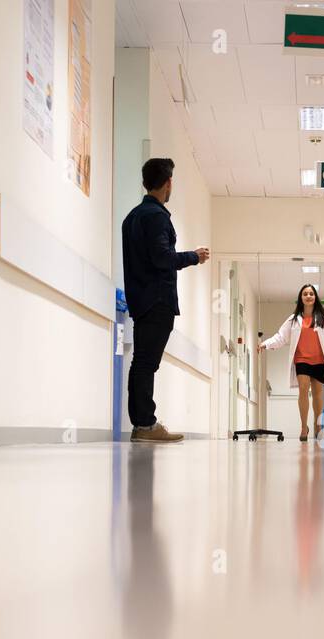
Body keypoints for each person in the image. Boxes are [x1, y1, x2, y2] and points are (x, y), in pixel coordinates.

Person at [120, 157, 209, 443]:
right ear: (168, 183)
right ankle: (146, 424)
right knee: (146, 364)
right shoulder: (157, 217)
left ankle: (142, 424)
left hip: (140, 300)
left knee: (141, 363)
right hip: (157, 301)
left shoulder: (131, 217)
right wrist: (194, 257)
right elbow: (162, 258)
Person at [257, 284, 324, 442]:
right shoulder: (293, 319)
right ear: (301, 298)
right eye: (305, 294)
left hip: (320, 360)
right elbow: (281, 336)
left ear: (315, 297)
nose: (308, 296)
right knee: (303, 389)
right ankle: (304, 427)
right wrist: (266, 343)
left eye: (311, 294)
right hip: (302, 359)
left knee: (318, 393)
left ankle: (318, 426)